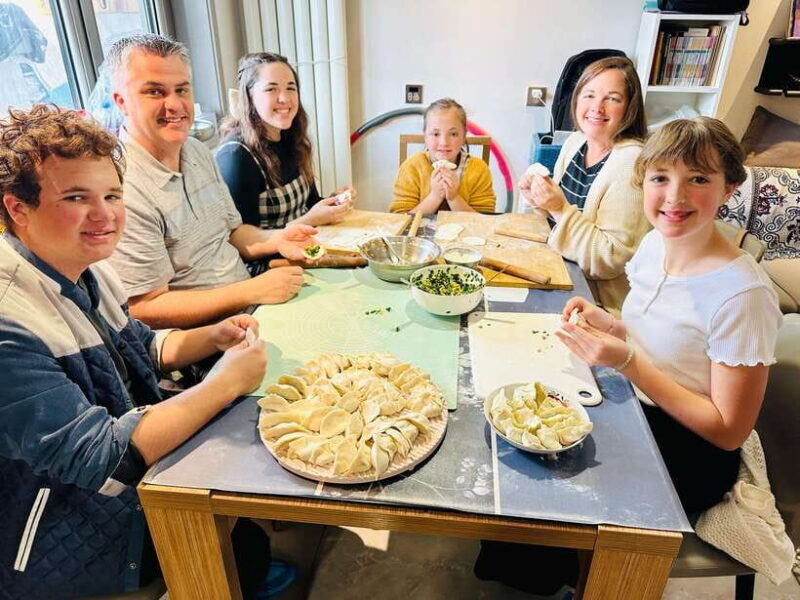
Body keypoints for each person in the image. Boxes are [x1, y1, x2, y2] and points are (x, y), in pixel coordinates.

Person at [477, 117, 783, 597]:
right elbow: (652, 337)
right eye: (661, 178)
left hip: (690, 447)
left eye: (698, 179)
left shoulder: (742, 296)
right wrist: (609, 324)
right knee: (515, 439)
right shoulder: (655, 243)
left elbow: (729, 431)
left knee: (544, 479)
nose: (675, 197)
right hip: (634, 405)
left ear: (730, 189)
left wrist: (627, 362)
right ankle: (541, 573)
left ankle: (577, 576)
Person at [0, 105, 296, 599]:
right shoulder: (11, 319)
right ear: (17, 209)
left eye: (112, 195)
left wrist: (213, 336)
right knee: (233, 545)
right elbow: (104, 459)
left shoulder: (87, 265)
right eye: (76, 197)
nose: (105, 215)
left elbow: (142, 349)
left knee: (246, 537)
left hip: (123, 476)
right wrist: (225, 384)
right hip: (60, 531)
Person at [107, 34, 318, 329]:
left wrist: (276, 238)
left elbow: (233, 232)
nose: (175, 105)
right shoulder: (121, 188)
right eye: (155, 92)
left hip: (250, 307)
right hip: (206, 339)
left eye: (182, 89)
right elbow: (144, 308)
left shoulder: (195, 150)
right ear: (121, 102)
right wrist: (253, 290)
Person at [519, 57, 650, 314]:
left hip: (599, 302)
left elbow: (610, 260)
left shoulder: (631, 162)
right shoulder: (575, 143)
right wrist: (539, 202)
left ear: (630, 108)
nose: (597, 108)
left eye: (612, 98)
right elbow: (557, 226)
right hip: (561, 272)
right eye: (589, 95)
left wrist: (558, 209)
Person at [215, 52, 356, 229]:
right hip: (274, 257)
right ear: (249, 97)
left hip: (306, 246)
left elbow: (309, 204)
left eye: (291, 88)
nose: (285, 98)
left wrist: (333, 203)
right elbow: (242, 243)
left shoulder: (292, 139)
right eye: (271, 89)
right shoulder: (236, 156)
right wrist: (310, 220)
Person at [390, 97, 496, 215]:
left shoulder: (478, 169)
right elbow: (400, 218)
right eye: (435, 134)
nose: (444, 142)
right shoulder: (411, 168)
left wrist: (454, 198)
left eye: (453, 134)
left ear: (463, 136)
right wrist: (435, 196)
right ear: (425, 136)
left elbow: (485, 220)